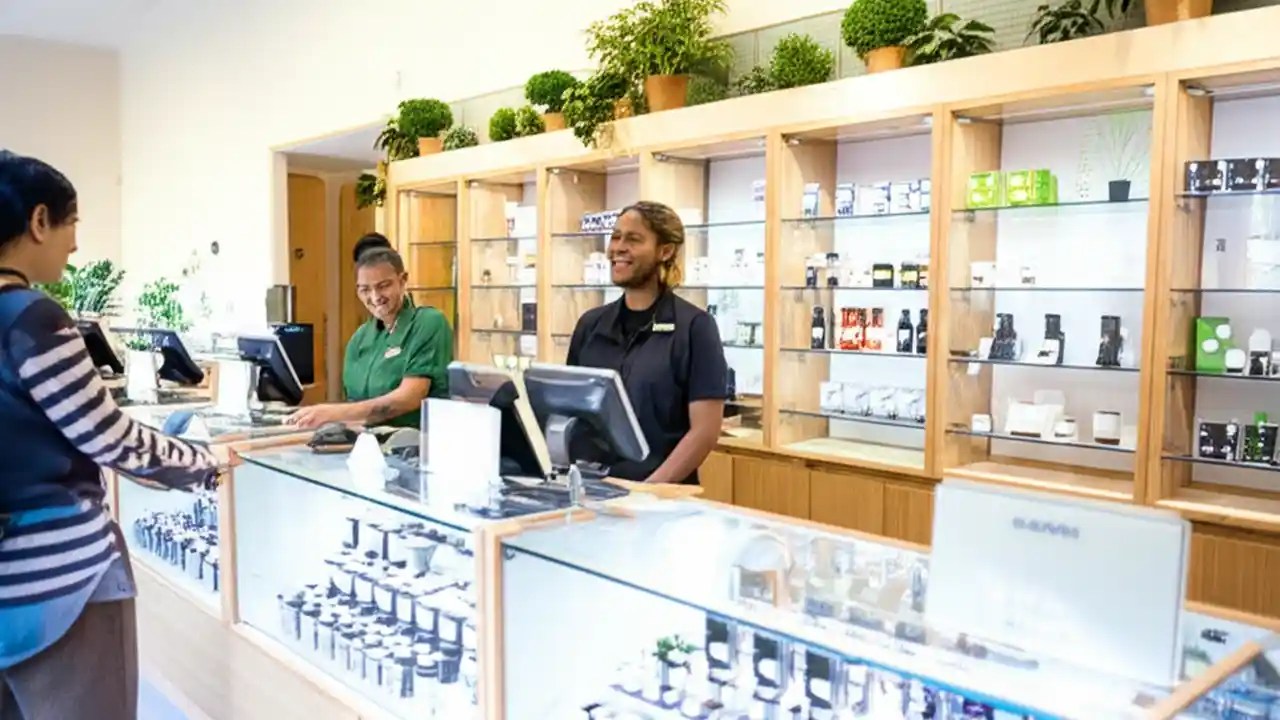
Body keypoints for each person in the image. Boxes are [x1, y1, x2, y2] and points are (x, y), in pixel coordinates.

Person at [0, 151, 225, 719]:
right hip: (58, 582)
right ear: (39, 220)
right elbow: (112, 440)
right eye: (73, 224)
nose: (75, 245)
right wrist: (203, 462)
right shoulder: (32, 317)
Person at [565, 201, 728, 485]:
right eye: (616, 237)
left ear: (665, 251)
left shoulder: (695, 328)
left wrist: (648, 491)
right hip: (593, 493)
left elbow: (705, 432)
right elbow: (570, 412)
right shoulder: (591, 325)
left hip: (662, 504)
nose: (618, 248)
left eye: (633, 239)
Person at [287, 246, 452, 429]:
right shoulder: (359, 339)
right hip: (368, 445)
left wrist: (331, 413)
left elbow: (408, 398)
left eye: (383, 286)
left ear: (402, 280)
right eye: (365, 289)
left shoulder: (428, 323)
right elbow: (355, 404)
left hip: (417, 446)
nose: (375, 297)